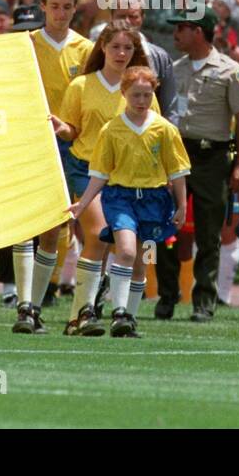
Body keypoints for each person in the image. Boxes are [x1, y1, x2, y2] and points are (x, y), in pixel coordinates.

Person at [67, 66, 189, 338]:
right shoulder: (111, 129)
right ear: (124, 93)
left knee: (143, 260)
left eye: (146, 95)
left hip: (155, 201)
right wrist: (83, 203)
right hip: (121, 198)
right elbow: (99, 174)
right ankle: (119, 312)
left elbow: (178, 171)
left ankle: (129, 318)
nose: (141, 101)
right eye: (135, 95)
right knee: (125, 251)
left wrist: (181, 205)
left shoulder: (164, 129)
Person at [153, 8, 239, 322]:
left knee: (208, 234)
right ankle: (167, 297)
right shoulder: (173, 69)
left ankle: (204, 301)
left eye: (181, 28)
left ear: (198, 31)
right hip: (177, 153)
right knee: (166, 228)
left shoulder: (230, 70)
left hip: (212, 157)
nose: (175, 34)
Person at [51, 19, 151, 335]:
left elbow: (153, 129)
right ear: (102, 48)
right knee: (97, 234)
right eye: (115, 46)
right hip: (86, 169)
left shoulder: (140, 88)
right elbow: (72, 130)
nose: (121, 53)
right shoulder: (81, 85)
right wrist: (61, 128)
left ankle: (105, 312)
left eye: (128, 48)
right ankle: (82, 313)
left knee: (131, 246)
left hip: (127, 176)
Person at [12, 0, 92, 333]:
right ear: (42, 6)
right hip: (30, 143)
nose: (60, 14)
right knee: (29, 223)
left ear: (75, 9)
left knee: (73, 227)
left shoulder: (87, 50)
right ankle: (25, 306)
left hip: (74, 145)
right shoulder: (24, 45)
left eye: (67, 7)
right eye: (54, 6)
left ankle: (69, 307)